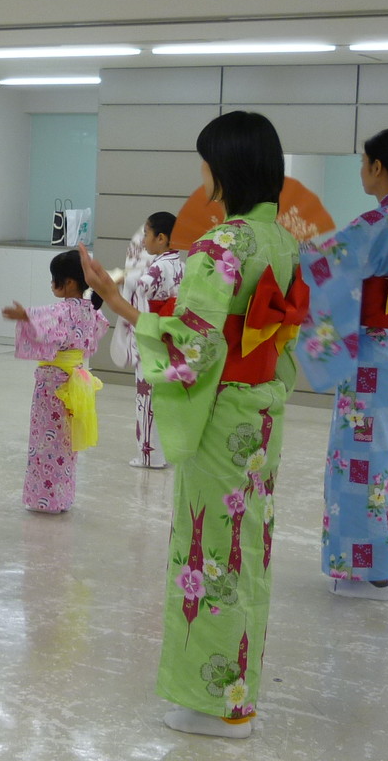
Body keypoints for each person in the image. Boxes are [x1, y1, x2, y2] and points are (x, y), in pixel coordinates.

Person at [80, 110, 306, 739]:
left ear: (224, 169)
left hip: (222, 409)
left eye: (206, 162)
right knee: (247, 547)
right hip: (260, 411)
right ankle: (237, 689)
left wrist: (119, 302)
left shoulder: (225, 245)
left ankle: (216, 702)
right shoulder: (283, 240)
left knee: (211, 552)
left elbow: (194, 348)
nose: (202, 173)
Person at [298, 129, 388, 601]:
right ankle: (376, 564)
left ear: (378, 167)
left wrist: (295, 247)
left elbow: (326, 261)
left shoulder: (380, 221)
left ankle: (365, 570)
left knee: (358, 462)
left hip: (370, 358)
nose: (361, 170)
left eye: (363, 162)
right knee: (379, 458)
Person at [2, 250, 109, 513]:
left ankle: (45, 499)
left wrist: (24, 316)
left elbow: (45, 321)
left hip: (53, 384)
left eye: (55, 279)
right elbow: (98, 328)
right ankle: (62, 497)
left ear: (69, 283)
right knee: (66, 443)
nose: (52, 285)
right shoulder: (89, 311)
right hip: (76, 380)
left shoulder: (63, 310)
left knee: (45, 442)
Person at [123, 211, 184, 469]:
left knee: (147, 398)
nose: (145, 240)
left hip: (152, 337)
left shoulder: (159, 266)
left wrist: (128, 277)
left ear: (161, 238)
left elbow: (140, 287)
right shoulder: (181, 264)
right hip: (172, 337)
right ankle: (167, 452)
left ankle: (149, 455)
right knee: (167, 398)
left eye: (147, 234)